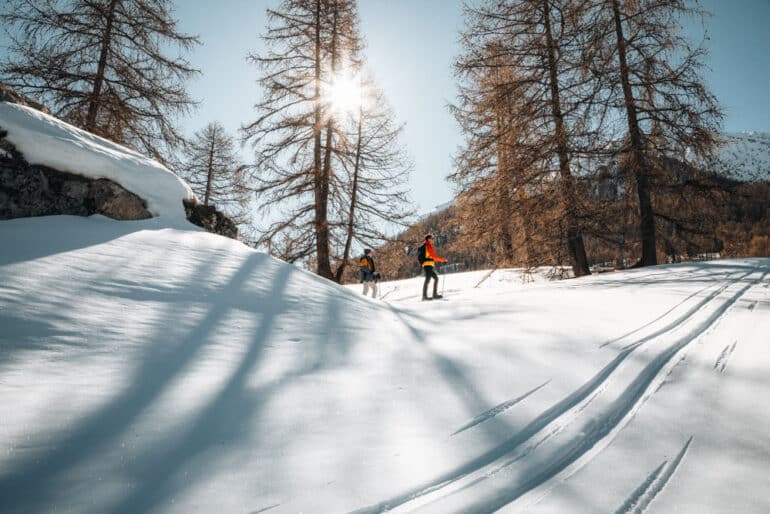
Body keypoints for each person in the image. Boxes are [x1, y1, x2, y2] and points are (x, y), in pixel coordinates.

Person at [420, 234, 446, 300]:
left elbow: (432, 257)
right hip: (427, 265)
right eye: (432, 238)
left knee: (428, 280)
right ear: (428, 239)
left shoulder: (428, 246)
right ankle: (431, 295)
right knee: (435, 278)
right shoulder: (427, 246)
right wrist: (443, 260)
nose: (432, 240)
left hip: (428, 265)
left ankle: (426, 296)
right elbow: (433, 256)